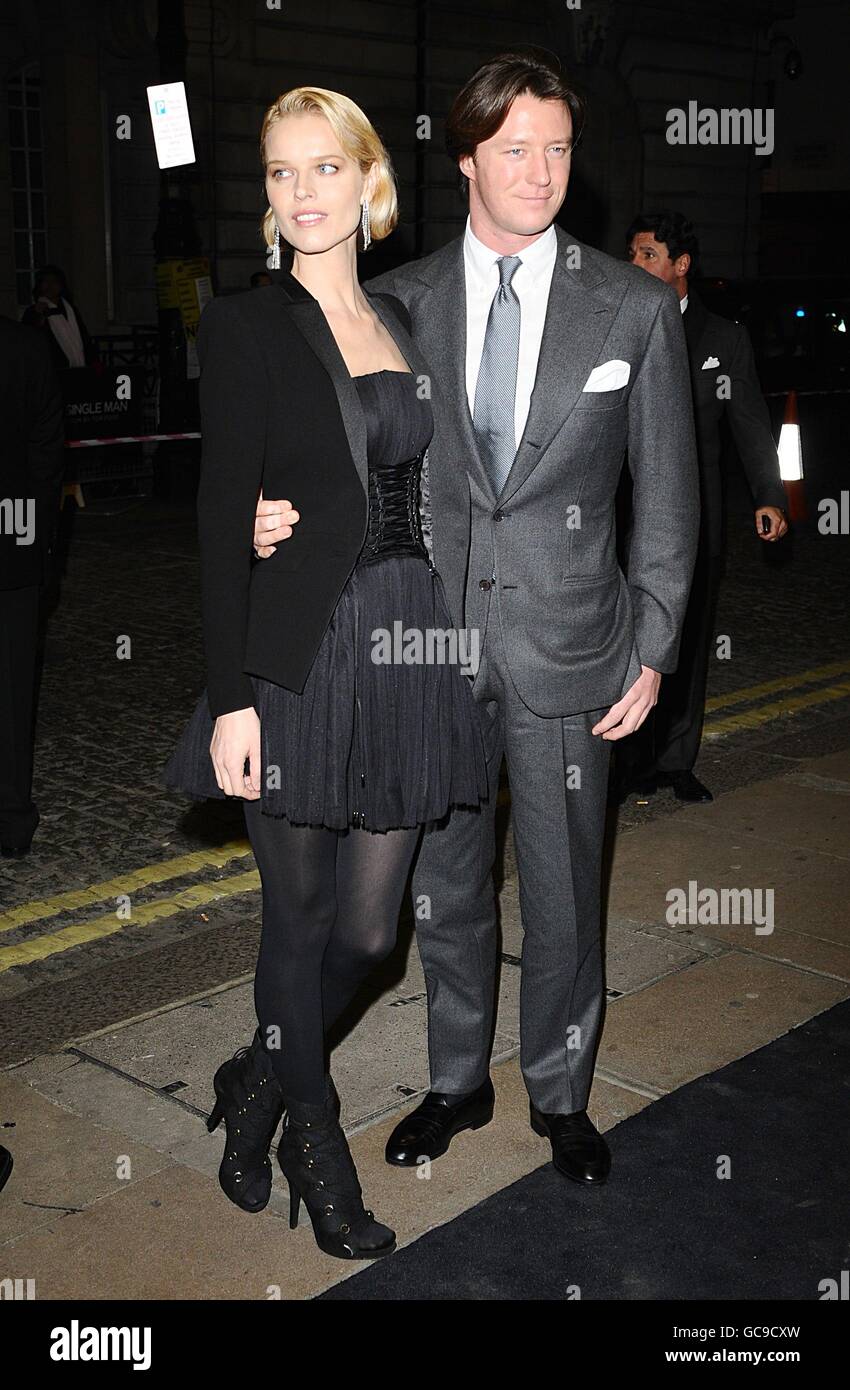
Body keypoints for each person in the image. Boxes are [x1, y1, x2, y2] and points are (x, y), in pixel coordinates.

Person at [253, 50, 700, 1186]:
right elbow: (340, 445)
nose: (541, 171)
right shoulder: (396, 301)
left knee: (563, 889)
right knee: (443, 890)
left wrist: (652, 645)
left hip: (572, 647)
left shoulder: (634, 307)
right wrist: (272, 515)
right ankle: (456, 1080)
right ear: (465, 160)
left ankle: (560, 1093)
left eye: (556, 148)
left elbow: (668, 497)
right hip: (429, 646)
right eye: (514, 150)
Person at [161, 86, 488, 1259]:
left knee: (367, 933)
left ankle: (256, 1075)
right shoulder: (247, 326)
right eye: (280, 173)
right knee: (295, 921)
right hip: (300, 653)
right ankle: (317, 1137)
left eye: (323, 169)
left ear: (367, 182)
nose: (301, 193)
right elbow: (216, 520)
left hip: (405, 646)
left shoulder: (403, 319)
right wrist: (234, 697)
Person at [615, 211, 788, 803]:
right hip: (622, 516)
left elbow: (750, 424)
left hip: (698, 519)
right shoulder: (620, 326)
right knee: (625, 639)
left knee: (688, 640)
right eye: (631, 254)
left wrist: (769, 496)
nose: (633, 265)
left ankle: (674, 760)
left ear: (680, 265)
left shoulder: (723, 339)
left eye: (647, 256)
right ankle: (625, 760)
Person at [0, 316, 64, 856]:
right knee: (13, 690)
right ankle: (11, 819)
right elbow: (47, 451)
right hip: (14, 538)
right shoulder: (25, 345)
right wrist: (36, 534)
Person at [20, 265, 95, 373]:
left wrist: (94, 363)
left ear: (61, 285)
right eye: (46, 281)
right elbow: (29, 339)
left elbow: (84, 337)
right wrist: (39, 315)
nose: (50, 285)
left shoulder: (70, 310)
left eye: (54, 281)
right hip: (51, 369)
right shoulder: (32, 311)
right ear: (40, 285)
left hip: (77, 368)